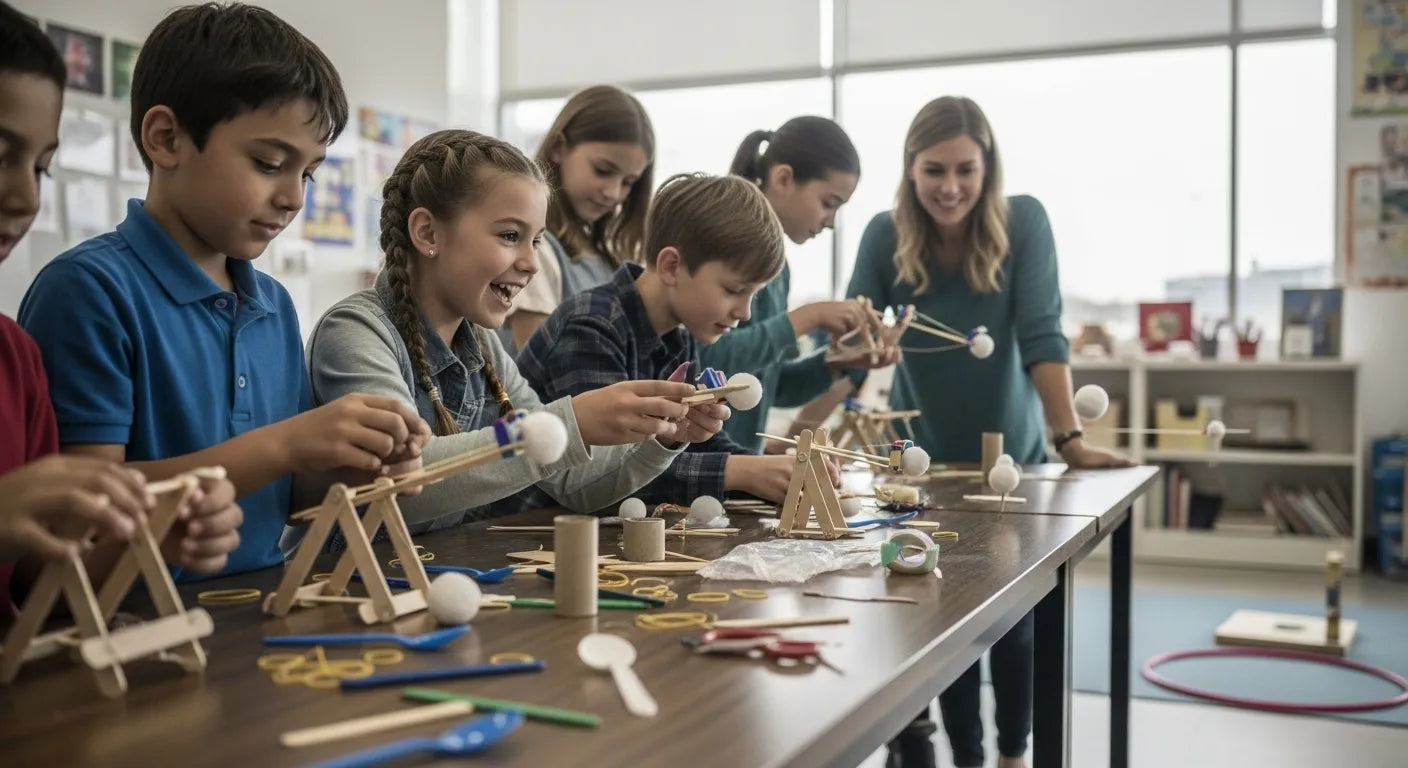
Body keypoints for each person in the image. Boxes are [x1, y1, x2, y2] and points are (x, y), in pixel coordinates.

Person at [17, 3, 428, 580]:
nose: (293, 197)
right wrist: (286, 444)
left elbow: (281, 497)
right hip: (130, 626)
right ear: (166, 139)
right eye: (268, 163)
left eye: (307, 173)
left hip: (260, 615)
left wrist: (356, 467)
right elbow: (77, 520)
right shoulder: (88, 291)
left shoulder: (274, 306)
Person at [846, 96, 1132, 768]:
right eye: (934, 170)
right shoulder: (884, 236)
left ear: (988, 167)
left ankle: (1012, 755)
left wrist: (1069, 441)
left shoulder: (1024, 221)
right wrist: (831, 413)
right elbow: (854, 337)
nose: (950, 187)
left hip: (1017, 463)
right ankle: (964, 758)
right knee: (941, 624)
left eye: (966, 169)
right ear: (911, 171)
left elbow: (1041, 333)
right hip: (923, 470)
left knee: (1015, 628)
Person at [306, 130, 707, 529]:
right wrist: (572, 423)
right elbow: (401, 483)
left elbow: (575, 485)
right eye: (510, 236)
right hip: (336, 581)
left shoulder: (486, 349)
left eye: (536, 241)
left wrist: (664, 437)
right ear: (427, 232)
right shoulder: (356, 331)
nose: (532, 262)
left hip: (423, 575)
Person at [519, 173, 833, 504]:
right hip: (516, 537)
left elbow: (694, 442)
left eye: (754, 295)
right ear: (671, 266)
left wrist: (771, 467)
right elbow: (600, 478)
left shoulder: (678, 336)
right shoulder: (592, 328)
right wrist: (739, 472)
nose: (746, 313)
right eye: (735, 290)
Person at [0, 1, 158, 617]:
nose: (25, 195)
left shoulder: (15, 358)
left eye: (41, 166)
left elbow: (37, 589)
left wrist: (143, 533)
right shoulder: (85, 288)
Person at [701, 117, 894, 452]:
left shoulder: (781, 271)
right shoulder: (719, 248)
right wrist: (810, 317)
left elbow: (768, 387)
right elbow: (705, 360)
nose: (831, 222)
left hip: (738, 473)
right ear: (783, 178)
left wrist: (837, 362)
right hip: (699, 473)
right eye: (828, 203)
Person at [500, 85, 654, 352]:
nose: (614, 192)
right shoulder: (537, 251)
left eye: (629, 182)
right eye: (603, 171)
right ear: (559, 148)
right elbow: (539, 373)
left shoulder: (607, 256)